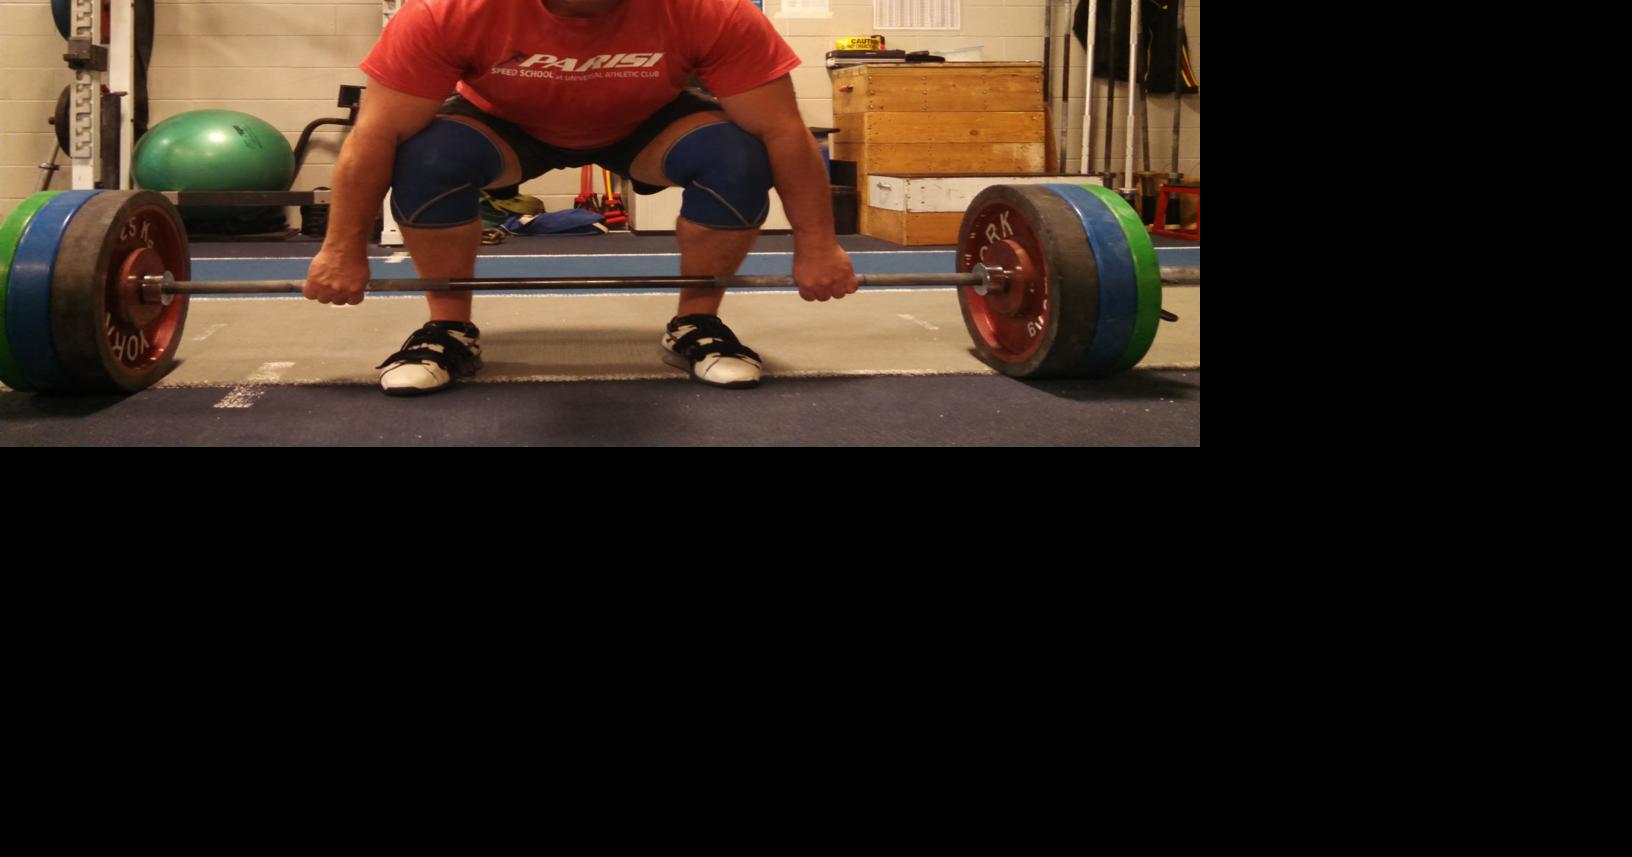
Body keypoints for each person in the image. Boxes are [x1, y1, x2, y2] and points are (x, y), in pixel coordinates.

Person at [302, 0, 859, 395]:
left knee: (737, 155)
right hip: (508, 125)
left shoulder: (711, 11)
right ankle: (449, 329)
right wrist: (341, 248)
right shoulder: (447, 12)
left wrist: (818, 245)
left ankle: (696, 324)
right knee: (426, 155)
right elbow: (375, 135)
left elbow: (783, 131)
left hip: (645, 123)